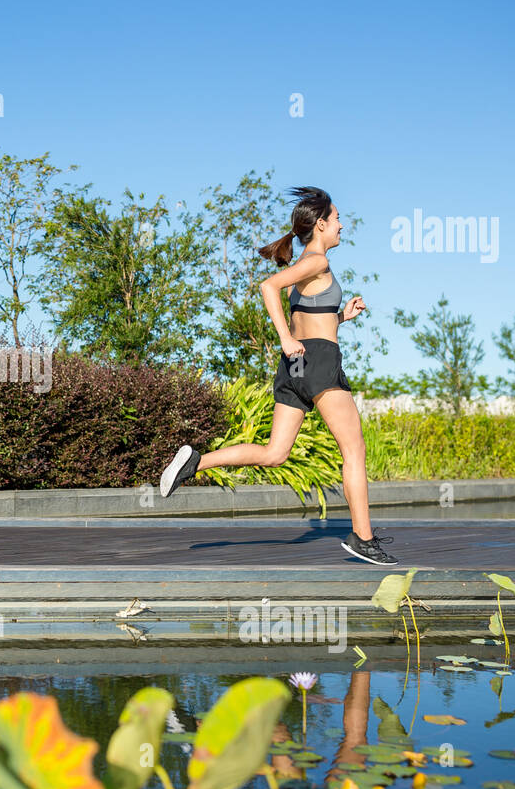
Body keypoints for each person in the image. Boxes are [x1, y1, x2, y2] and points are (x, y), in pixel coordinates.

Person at [158, 186, 398, 565]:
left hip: (297, 366)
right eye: (336, 218)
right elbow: (268, 286)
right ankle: (363, 540)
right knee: (354, 451)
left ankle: (195, 463)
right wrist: (285, 338)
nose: (341, 225)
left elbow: (310, 321)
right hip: (316, 360)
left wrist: (340, 318)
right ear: (320, 224)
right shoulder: (317, 261)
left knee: (275, 453)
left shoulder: (309, 260)